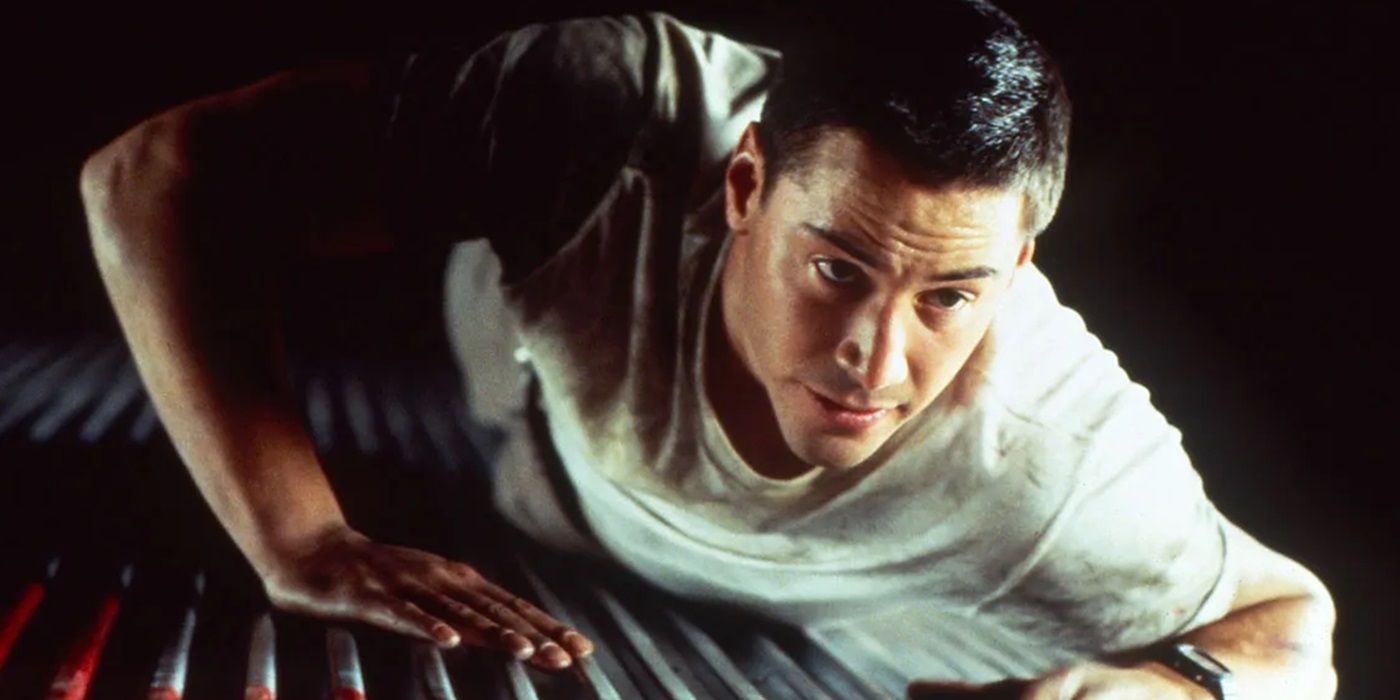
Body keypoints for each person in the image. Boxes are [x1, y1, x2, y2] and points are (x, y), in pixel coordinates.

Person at [79, 2, 1336, 696]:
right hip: (509, 404)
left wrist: (1175, 689)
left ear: (1013, 274)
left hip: (784, 613)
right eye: (836, 268)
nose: (873, 359)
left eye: (947, 296)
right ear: (741, 186)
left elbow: (1291, 624)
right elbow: (154, 175)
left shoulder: (1054, 458)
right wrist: (297, 534)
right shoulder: (615, 118)